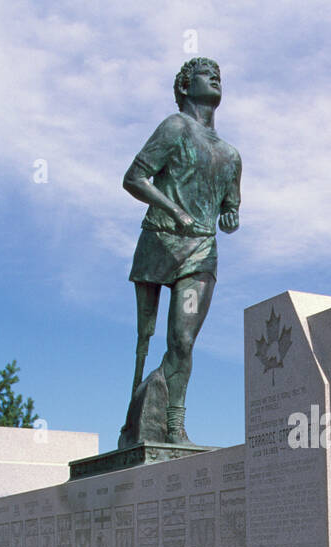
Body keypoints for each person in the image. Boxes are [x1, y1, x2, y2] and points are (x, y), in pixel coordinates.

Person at [123, 57, 241, 445]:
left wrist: (230, 215)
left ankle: (174, 426)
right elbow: (134, 178)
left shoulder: (231, 155)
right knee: (144, 337)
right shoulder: (174, 127)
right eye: (206, 74)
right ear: (185, 87)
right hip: (160, 240)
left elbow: (231, 205)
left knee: (183, 340)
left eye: (218, 74)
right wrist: (174, 209)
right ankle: (135, 421)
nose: (215, 78)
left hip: (201, 251)